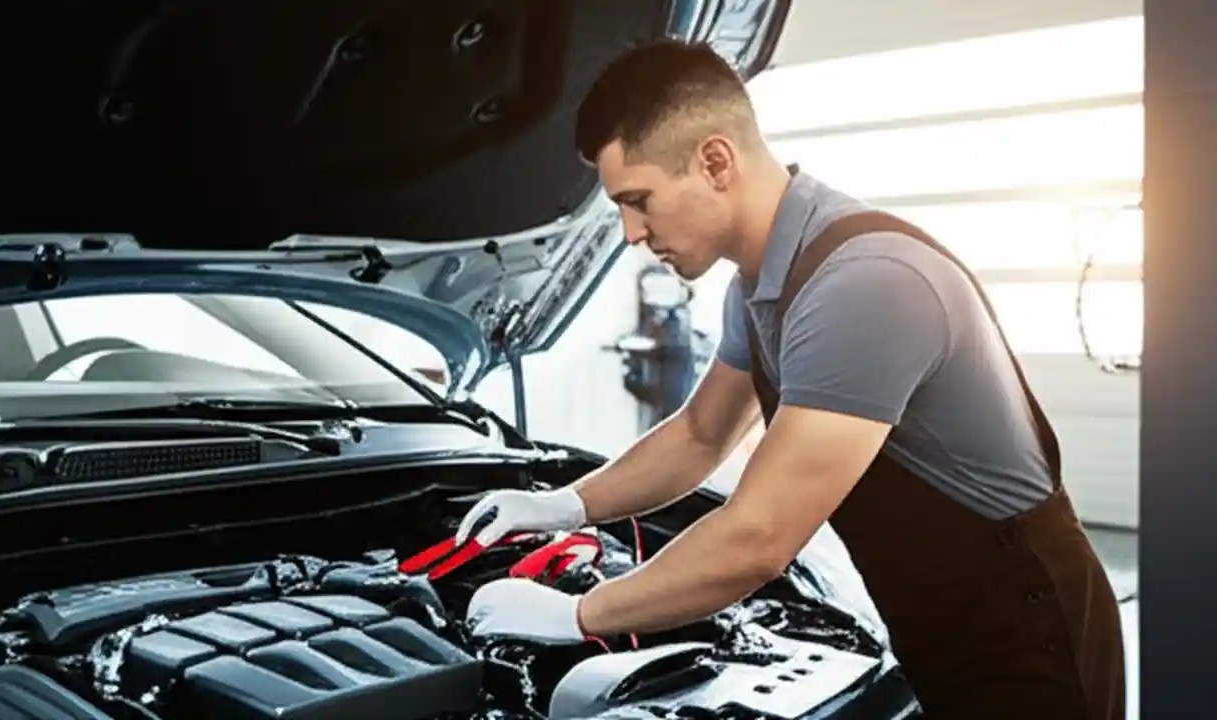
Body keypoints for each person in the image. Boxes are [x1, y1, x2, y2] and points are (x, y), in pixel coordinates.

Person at [460, 40, 1125, 719]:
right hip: (937, 622)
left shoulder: (864, 285)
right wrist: (566, 505)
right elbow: (698, 435)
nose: (631, 232)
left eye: (640, 200)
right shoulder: (757, 290)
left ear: (715, 162)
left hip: (1026, 630)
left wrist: (578, 613)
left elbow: (759, 537)